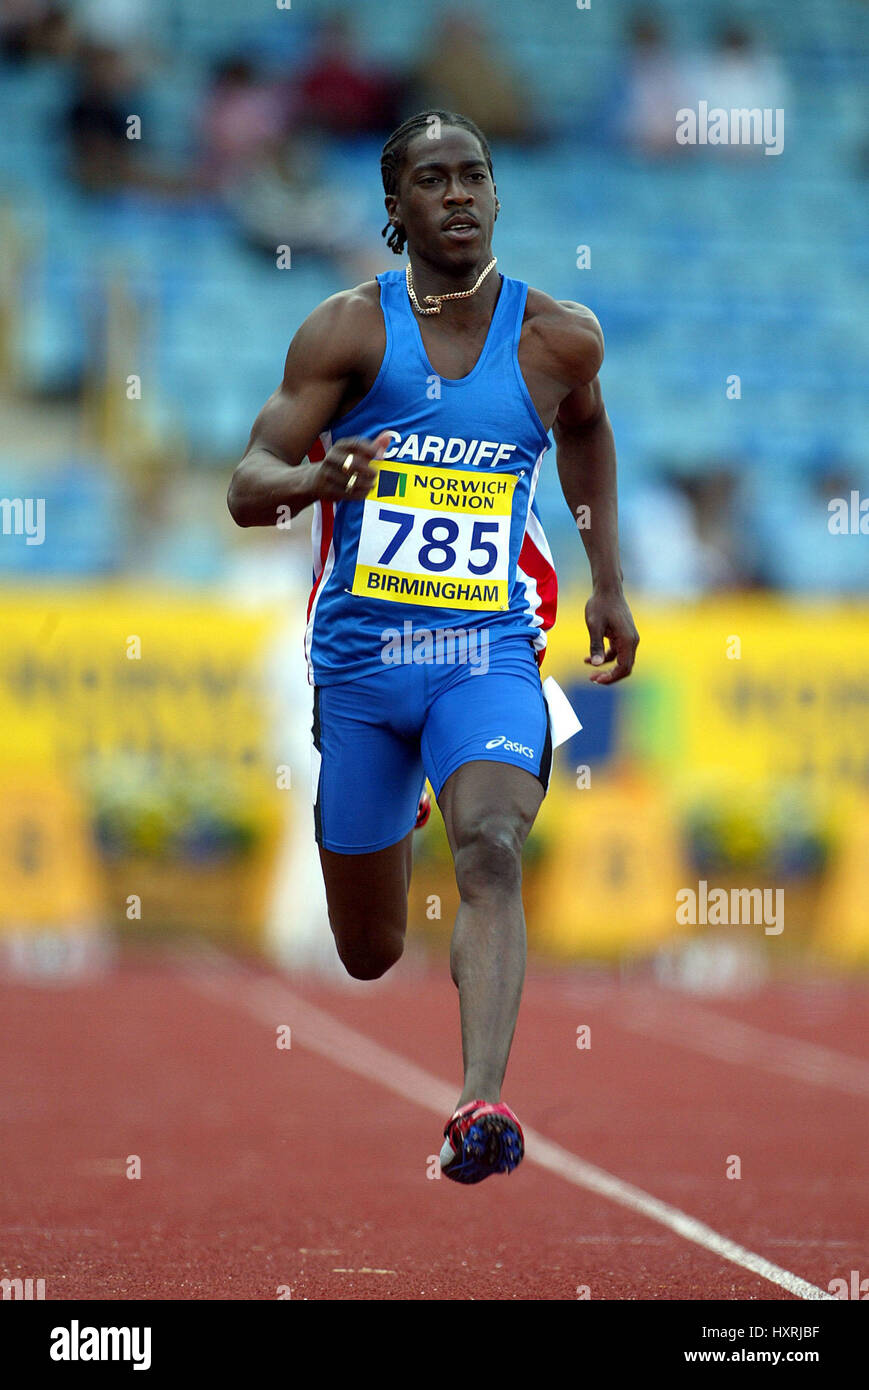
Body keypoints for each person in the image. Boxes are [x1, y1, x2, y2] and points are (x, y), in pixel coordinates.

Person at [227, 110, 639, 1184]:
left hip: (484, 647)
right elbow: (245, 482)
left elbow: (586, 429)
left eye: (475, 176)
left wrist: (606, 582)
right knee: (368, 953)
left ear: (497, 197)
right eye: (431, 180)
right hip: (362, 662)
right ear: (393, 207)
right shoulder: (344, 334)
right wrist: (318, 478)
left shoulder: (557, 338)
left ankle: (479, 1104)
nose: (457, 194)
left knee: (494, 849)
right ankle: (391, 802)